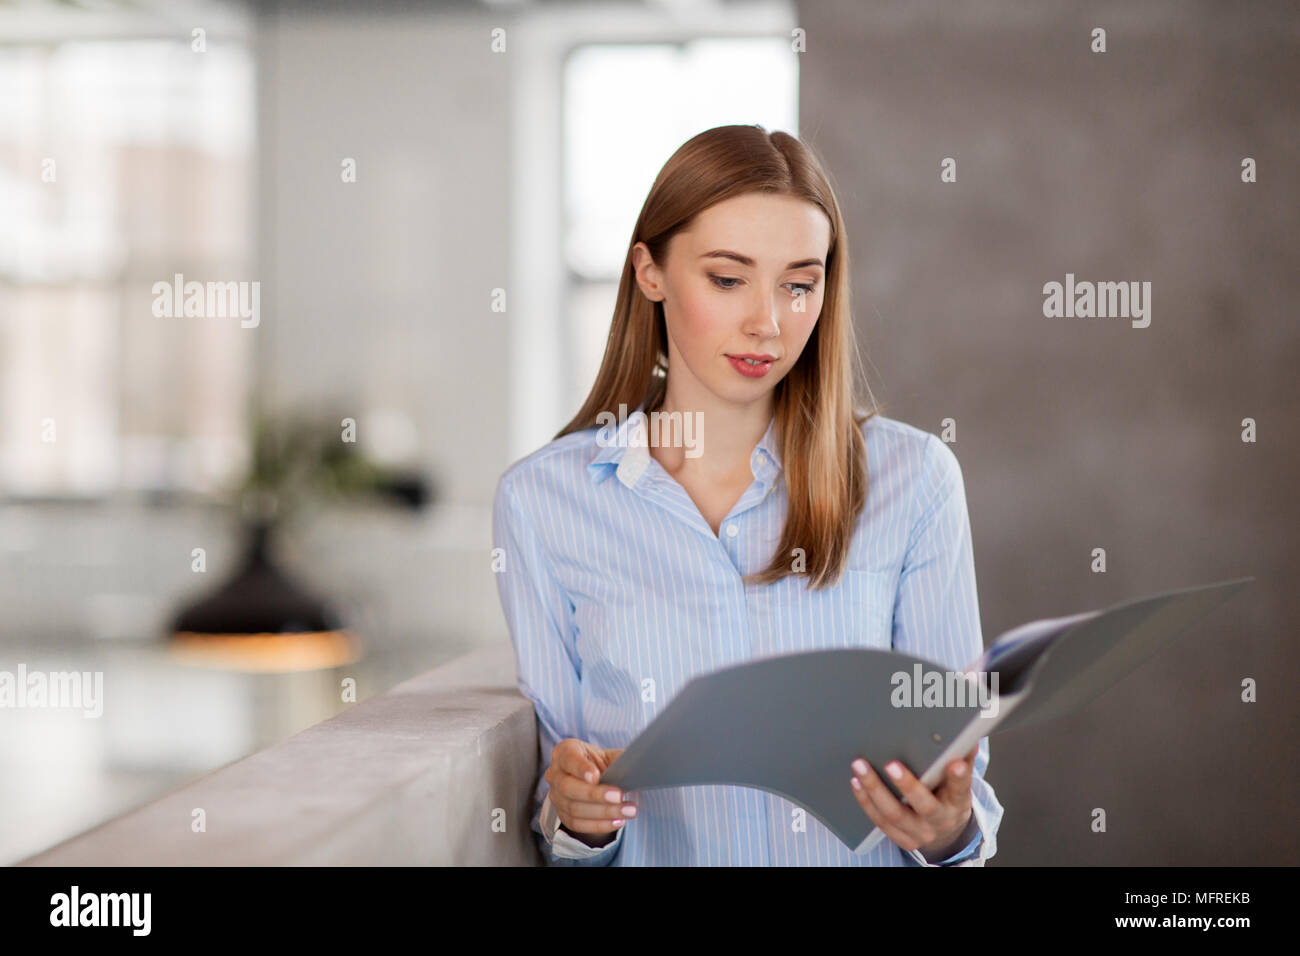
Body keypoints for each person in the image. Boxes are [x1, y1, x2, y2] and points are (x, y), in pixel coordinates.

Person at [491, 124, 1003, 866]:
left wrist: (947, 829)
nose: (768, 321)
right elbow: (563, 803)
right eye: (728, 280)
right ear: (650, 272)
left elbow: (963, 806)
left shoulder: (913, 480)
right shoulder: (542, 505)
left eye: (799, 284)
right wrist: (577, 818)